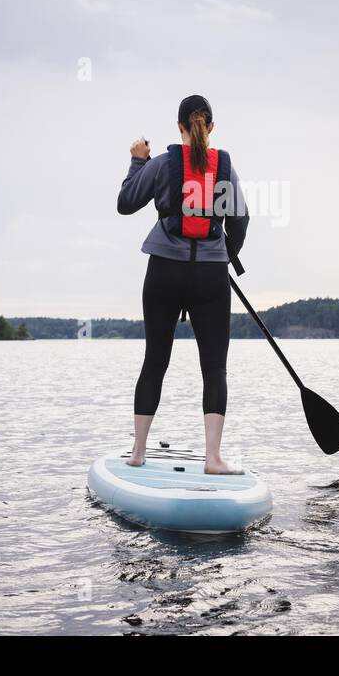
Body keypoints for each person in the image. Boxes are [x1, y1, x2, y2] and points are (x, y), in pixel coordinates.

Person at [117, 95, 249, 473]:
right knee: (214, 369)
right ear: (211, 127)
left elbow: (126, 202)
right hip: (209, 276)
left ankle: (139, 452)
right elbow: (240, 220)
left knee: (155, 360)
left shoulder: (162, 164)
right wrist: (222, 254)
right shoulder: (224, 166)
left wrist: (137, 161)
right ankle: (213, 459)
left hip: (164, 272)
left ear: (179, 127)